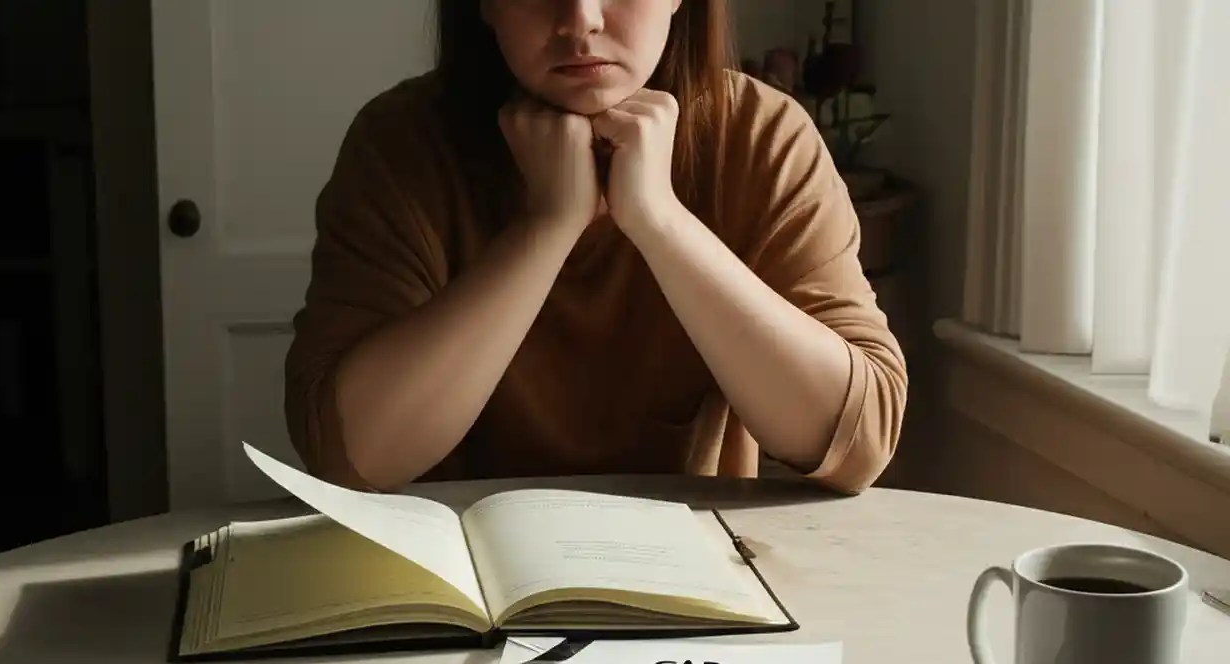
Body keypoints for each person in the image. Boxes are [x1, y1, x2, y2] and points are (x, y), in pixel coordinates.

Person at [284, 0, 908, 496]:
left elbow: (858, 444)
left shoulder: (761, 135)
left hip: (692, 588)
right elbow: (347, 455)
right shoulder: (401, 144)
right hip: (455, 584)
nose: (581, 17)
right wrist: (547, 227)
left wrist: (659, 220)